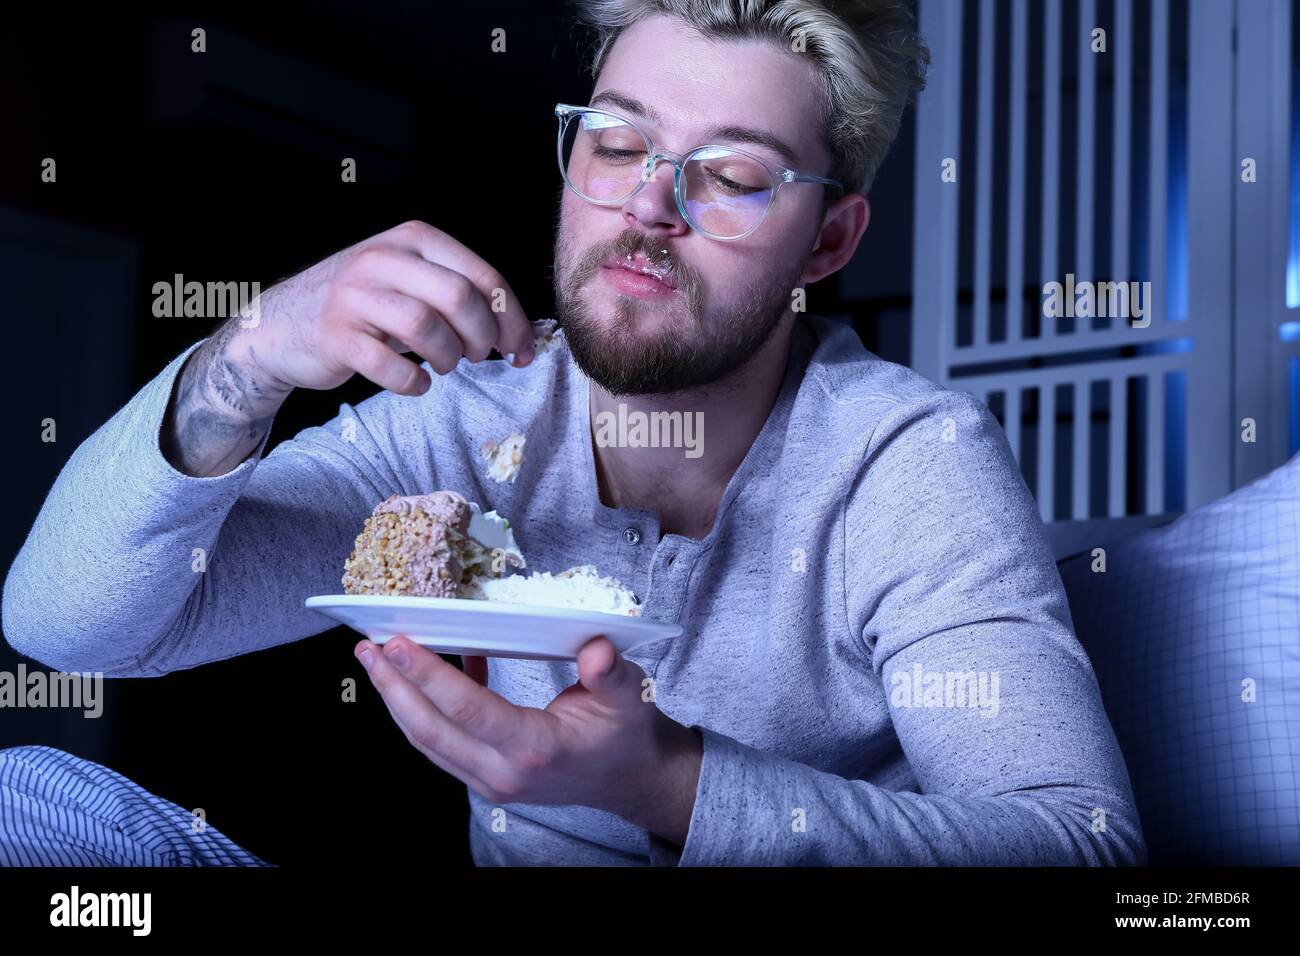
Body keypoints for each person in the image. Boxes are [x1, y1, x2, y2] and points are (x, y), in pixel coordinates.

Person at [2, 0, 1146, 866]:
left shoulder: (906, 459)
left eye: (730, 175)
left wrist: (673, 784)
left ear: (828, 242)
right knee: (28, 799)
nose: (649, 207)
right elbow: (66, 627)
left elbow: (1080, 840)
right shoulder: (468, 414)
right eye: (615, 141)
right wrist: (248, 354)